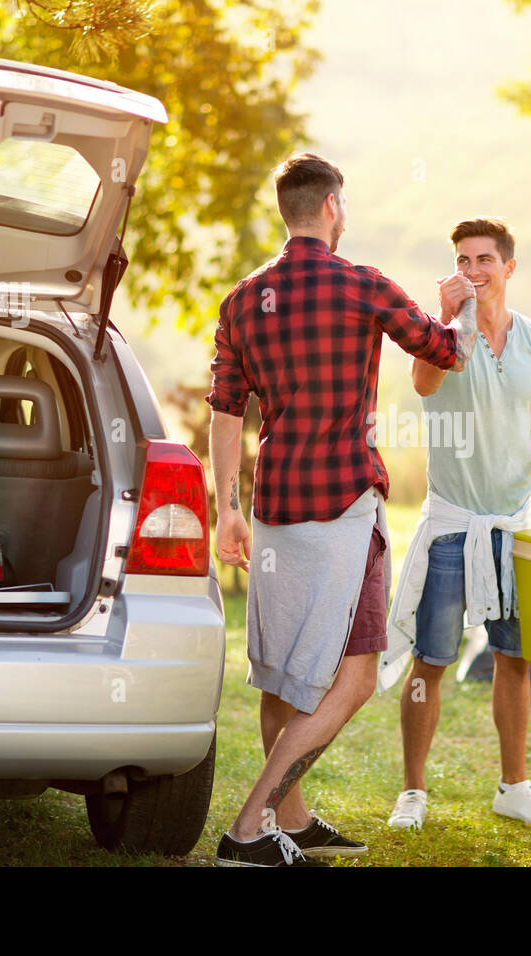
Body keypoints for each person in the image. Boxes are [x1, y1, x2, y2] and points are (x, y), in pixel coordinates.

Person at [207, 153, 479, 866]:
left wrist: (225, 510)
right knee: (356, 676)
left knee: (280, 676)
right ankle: (248, 826)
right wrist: (458, 307)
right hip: (343, 507)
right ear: (331, 207)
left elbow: (226, 413)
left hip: (272, 512)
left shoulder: (242, 300)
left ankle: (290, 822)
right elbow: (446, 353)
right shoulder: (359, 284)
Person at [382, 217, 531, 831]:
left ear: (509, 267)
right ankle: (413, 792)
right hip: (452, 523)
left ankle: (515, 787)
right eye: (463, 260)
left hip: (516, 522)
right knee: (431, 662)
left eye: (485, 259)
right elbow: (423, 380)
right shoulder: (439, 336)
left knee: (513, 657)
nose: (473, 270)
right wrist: (448, 321)